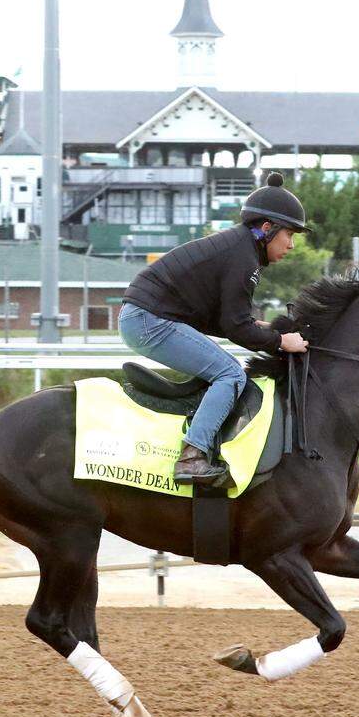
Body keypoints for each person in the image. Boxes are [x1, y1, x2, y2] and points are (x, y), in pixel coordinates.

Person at [119, 172, 310, 485]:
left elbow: (229, 321)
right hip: (149, 319)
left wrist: (258, 328)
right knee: (231, 374)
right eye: (289, 234)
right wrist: (280, 341)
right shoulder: (243, 258)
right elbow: (236, 328)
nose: (291, 245)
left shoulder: (240, 249)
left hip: (146, 315)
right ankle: (192, 457)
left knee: (225, 371)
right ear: (267, 228)